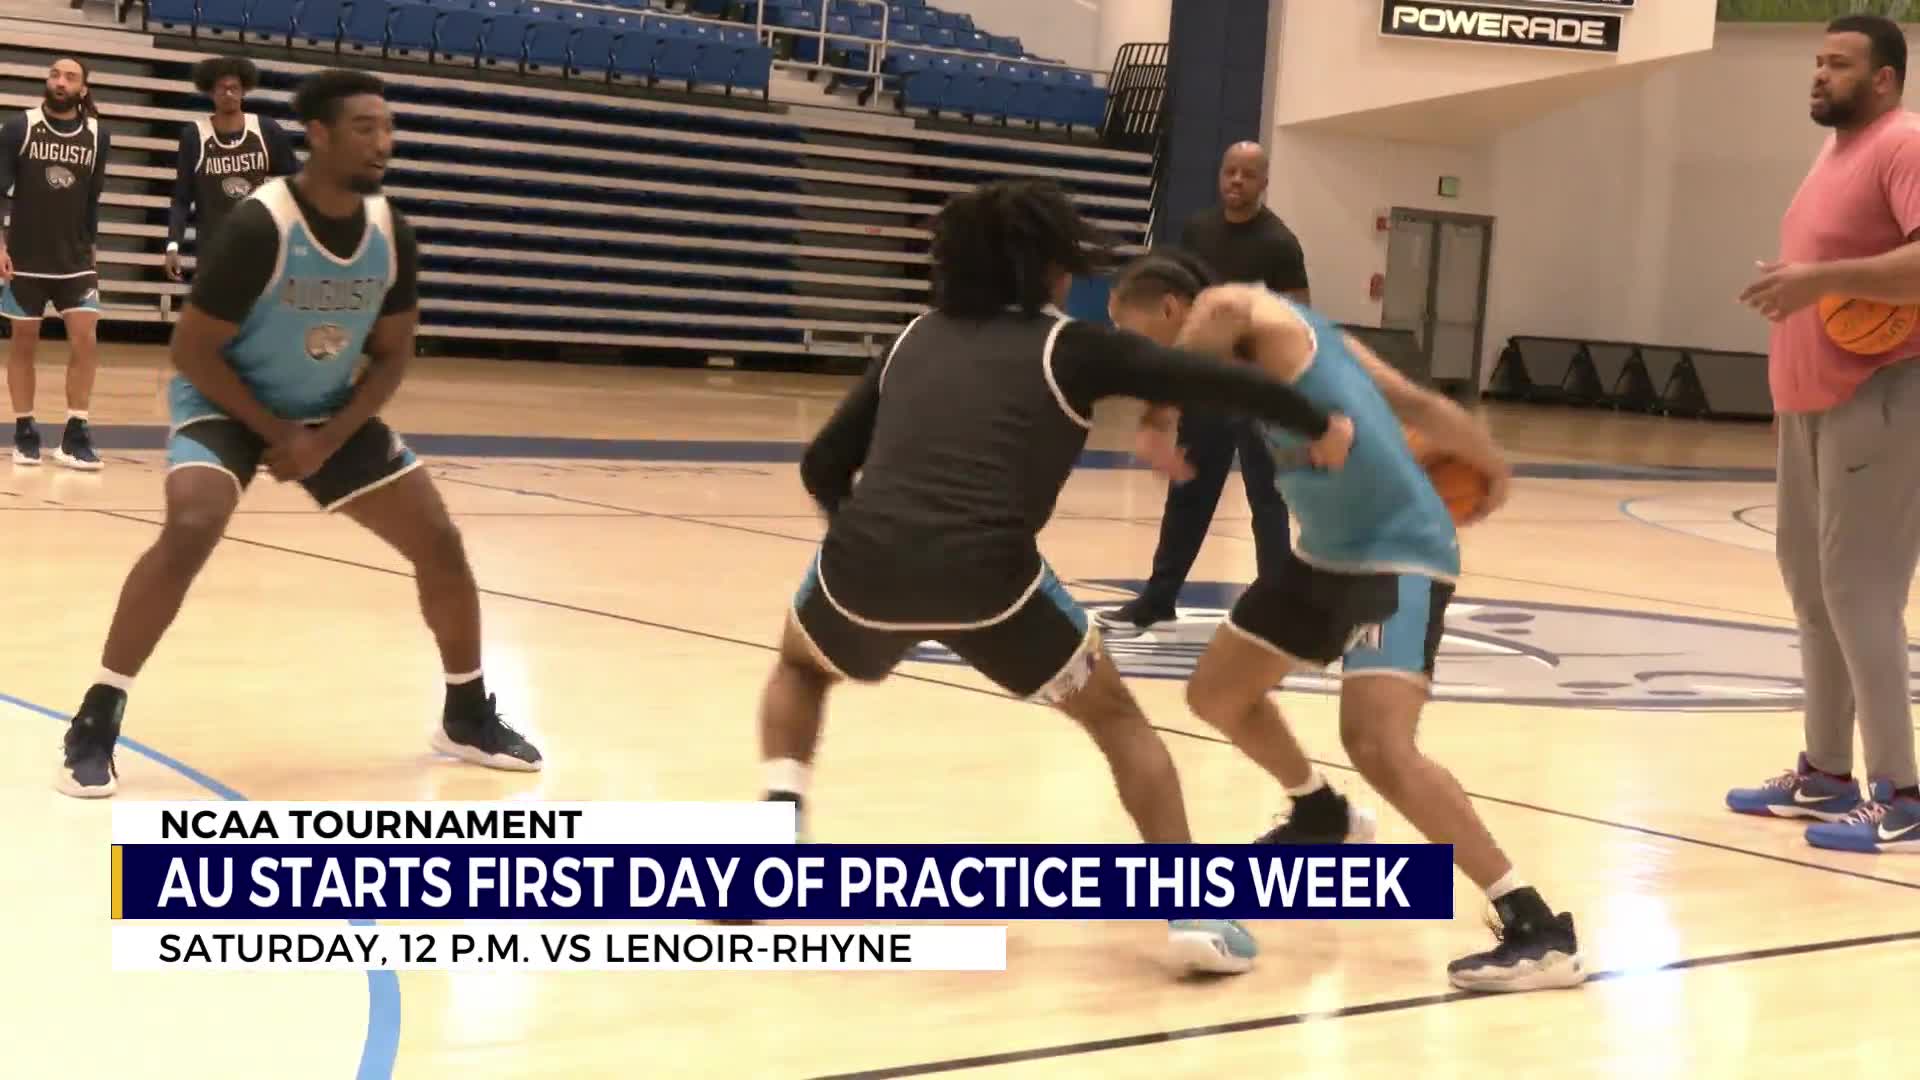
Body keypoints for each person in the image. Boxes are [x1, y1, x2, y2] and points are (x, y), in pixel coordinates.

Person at [752, 178, 1355, 975]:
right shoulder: (1068, 345)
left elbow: (824, 463)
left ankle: (777, 829)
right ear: (1044, 270)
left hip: (860, 566)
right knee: (1117, 722)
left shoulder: (912, 337)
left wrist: (873, 547)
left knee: (802, 664)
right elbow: (1214, 382)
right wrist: (1318, 419)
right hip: (991, 583)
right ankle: (1191, 916)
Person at [1107, 252, 1586, 994]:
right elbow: (1416, 403)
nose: (1146, 359)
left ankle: (1537, 927)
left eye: (1142, 337)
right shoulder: (1314, 341)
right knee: (1217, 694)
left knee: (1378, 744)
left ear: (1174, 309)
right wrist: (1487, 458)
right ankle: (1319, 814)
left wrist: (1160, 414)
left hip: (1398, 553)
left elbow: (1221, 313)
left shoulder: (1239, 304)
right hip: (1323, 554)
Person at [54, 69, 540, 799]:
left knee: (439, 540)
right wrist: (279, 431)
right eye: (364, 128)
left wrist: (325, 435)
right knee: (192, 523)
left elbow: (393, 354)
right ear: (316, 135)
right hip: (226, 400)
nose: (383, 142)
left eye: (387, 127)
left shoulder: (389, 231)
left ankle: (467, 713)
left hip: (326, 409)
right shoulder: (260, 225)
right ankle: (96, 718)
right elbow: (191, 352)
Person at [1733, 14, 1920, 854]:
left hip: (1881, 397)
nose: (1818, 74)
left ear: (1884, 79)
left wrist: (1820, 280)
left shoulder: (1903, 142)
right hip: (1809, 405)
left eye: (1838, 64)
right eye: (1816, 60)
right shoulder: (1837, 149)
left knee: (1860, 593)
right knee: (1811, 590)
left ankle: (1903, 792)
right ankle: (1828, 771)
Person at [1097, 142, 1310, 633]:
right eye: (1229, 171)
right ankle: (1158, 598)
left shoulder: (1280, 243)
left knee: (1267, 501)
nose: (1236, 181)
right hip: (1205, 387)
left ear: (1263, 182)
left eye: (1247, 174)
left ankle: (1276, 607)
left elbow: (1298, 316)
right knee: (1188, 490)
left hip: (1257, 388)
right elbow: (1182, 304)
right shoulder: (1198, 230)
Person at [0, 57, 110, 470]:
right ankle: (25, 429)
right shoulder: (20, 127)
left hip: (76, 260)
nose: (60, 81)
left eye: (70, 77)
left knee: (86, 340)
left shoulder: (99, 135)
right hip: (25, 259)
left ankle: (75, 432)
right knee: (23, 345)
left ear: (83, 89)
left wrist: (93, 253)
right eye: (54, 74)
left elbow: (92, 201)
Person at [166, 56, 299, 283]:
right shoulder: (194, 136)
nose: (228, 94)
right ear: (210, 92)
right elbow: (181, 198)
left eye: (234, 88)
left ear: (244, 91)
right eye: (222, 88)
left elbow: (295, 180)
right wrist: (172, 246)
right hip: (213, 251)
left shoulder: (265, 129)